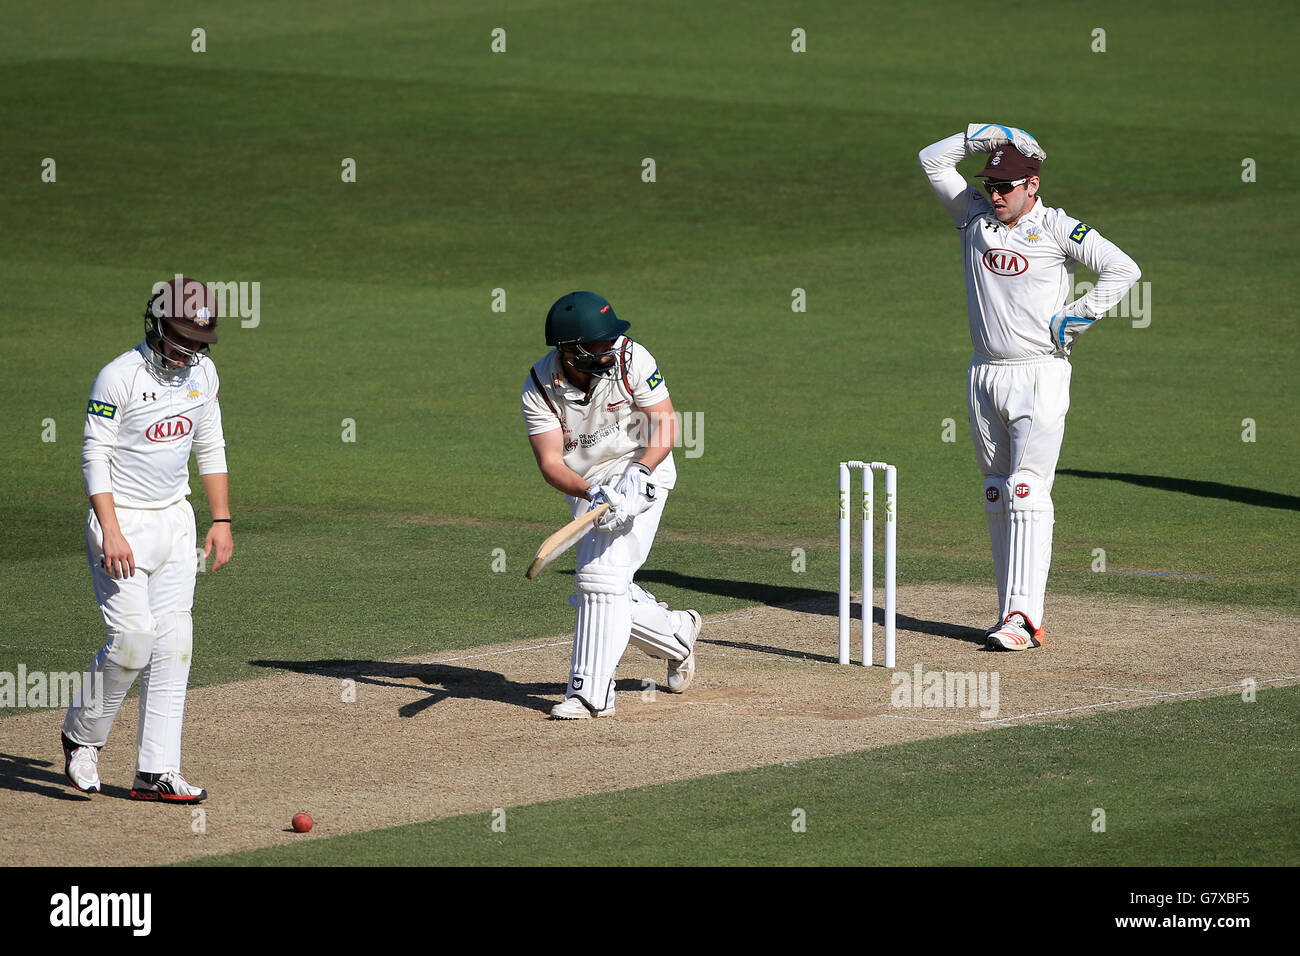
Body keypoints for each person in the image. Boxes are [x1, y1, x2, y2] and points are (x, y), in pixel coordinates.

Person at [918, 125, 1141, 650]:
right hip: (984, 372)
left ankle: (1025, 618)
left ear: (1033, 185)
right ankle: (1005, 613)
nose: (996, 195)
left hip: (1039, 371)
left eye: (1007, 187)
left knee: (1026, 488)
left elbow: (1122, 269)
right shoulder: (973, 215)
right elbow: (931, 160)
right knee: (996, 491)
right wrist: (981, 133)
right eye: (991, 185)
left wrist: (1078, 316)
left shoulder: (1060, 228)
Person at [61, 276, 233, 800]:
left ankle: (156, 771)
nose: (188, 353)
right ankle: (82, 737)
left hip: (175, 523)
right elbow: (95, 455)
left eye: (198, 342)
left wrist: (221, 520)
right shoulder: (118, 376)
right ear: (156, 324)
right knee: (133, 643)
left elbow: (211, 442)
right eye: (181, 339)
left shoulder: (203, 372)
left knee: (175, 643)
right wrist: (110, 530)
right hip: (123, 524)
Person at [521, 291, 701, 718]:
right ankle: (677, 633)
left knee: (598, 576)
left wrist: (638, 473)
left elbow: (666, 423)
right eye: (600, 345)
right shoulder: (539, 387)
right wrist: (592, 493)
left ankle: (590, 695)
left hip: (644, 465)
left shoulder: (631, 358)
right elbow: (549, 462)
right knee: (606, 586)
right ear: (570, 350)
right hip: (589, 484)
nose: (611, 348)